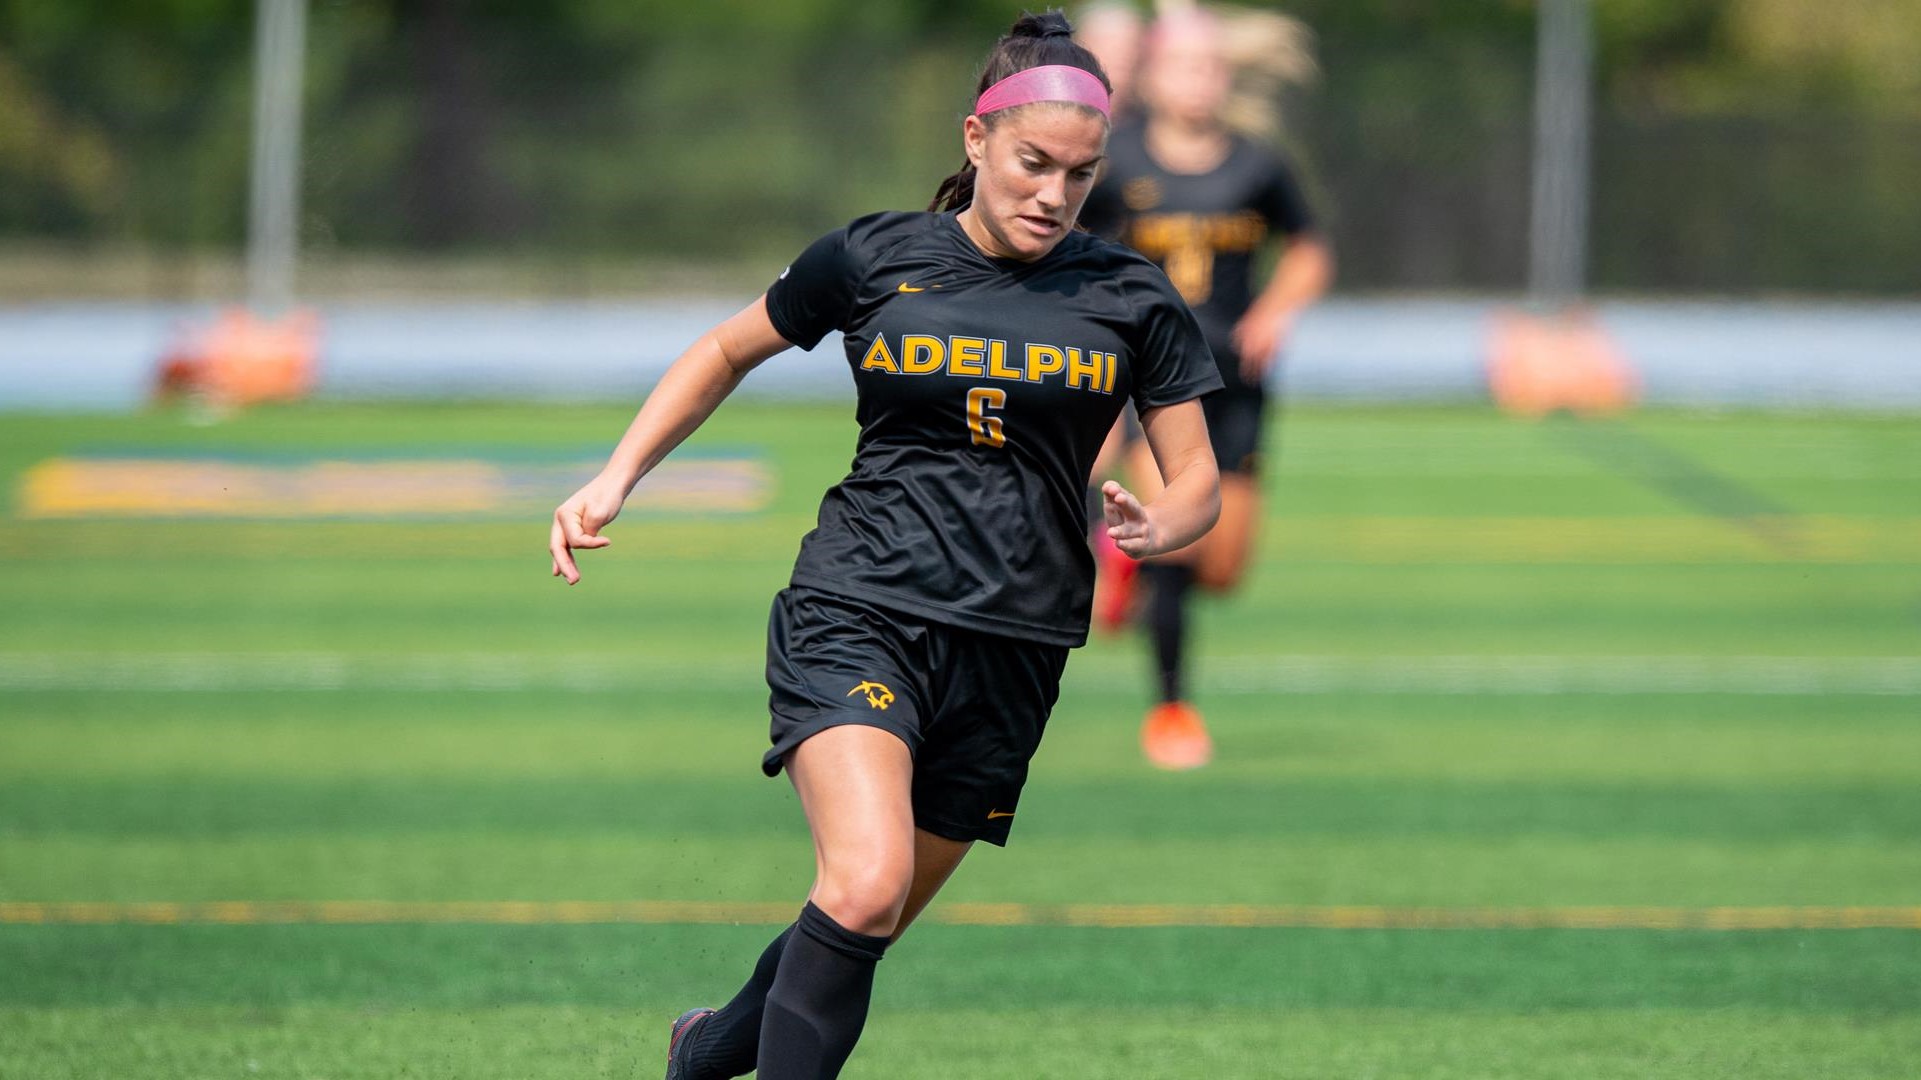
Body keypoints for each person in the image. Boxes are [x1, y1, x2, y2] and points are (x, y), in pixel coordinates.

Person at [548, 12, 1222, 1078]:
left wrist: (1159, 522)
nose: (1052, 194)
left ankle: (707, 1051)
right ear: (975, 140)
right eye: (1032, 164)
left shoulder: (1131, 296)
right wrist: (615, 474)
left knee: (865, 918)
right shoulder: (876, 254)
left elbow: (1197, 486)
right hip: (860, 608)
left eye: (1079, 176)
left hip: (1016, 643)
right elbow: (727, 348)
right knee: (863, 883)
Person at [1080, 5, 1333, 771]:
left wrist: (1276, 310)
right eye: (1185, 66)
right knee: (1176, 554)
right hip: (1151, 388)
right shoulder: (1115, 161)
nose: (1200, 81)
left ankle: (1118, 557)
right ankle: (1171, 711)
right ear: (1152, 78)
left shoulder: (1257, 165)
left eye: (1211, 67)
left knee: (1222, 568)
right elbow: (1067, 250)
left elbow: (1309, 249)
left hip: (1237, 388)